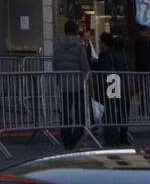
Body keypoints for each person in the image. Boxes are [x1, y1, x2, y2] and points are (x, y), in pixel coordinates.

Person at [52, 19, 90, 150]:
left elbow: (55, 65)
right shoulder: (80, 47)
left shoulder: (57, 46)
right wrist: (86, 79)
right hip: (78, 83)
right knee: (80, 112)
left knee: (65, 113)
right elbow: (84, 66)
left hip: (63, 83)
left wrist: (58, 79)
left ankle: (66, 138)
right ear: (75, 31)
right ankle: (76, 137)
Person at [94, 32, 130, 147]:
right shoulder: (117, 54)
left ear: (104, 43)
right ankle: (115, 136)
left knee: (109, 112)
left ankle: (111, 138)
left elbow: (102, 69)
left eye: (100, 41)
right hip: (116, 82)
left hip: (110, 83)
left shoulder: (105, 55)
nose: (99, 43)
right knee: (113, 111)